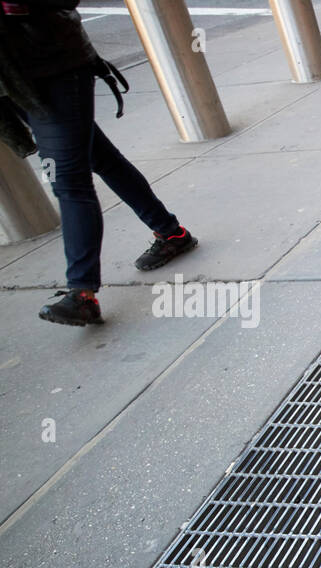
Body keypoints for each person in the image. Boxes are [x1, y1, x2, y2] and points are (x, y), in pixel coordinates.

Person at [0, 1, 196, 328]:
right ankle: (172, 233)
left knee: (68, 181)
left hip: (51, 67)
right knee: (102, 159)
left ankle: (82, 293)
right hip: (16, 79)